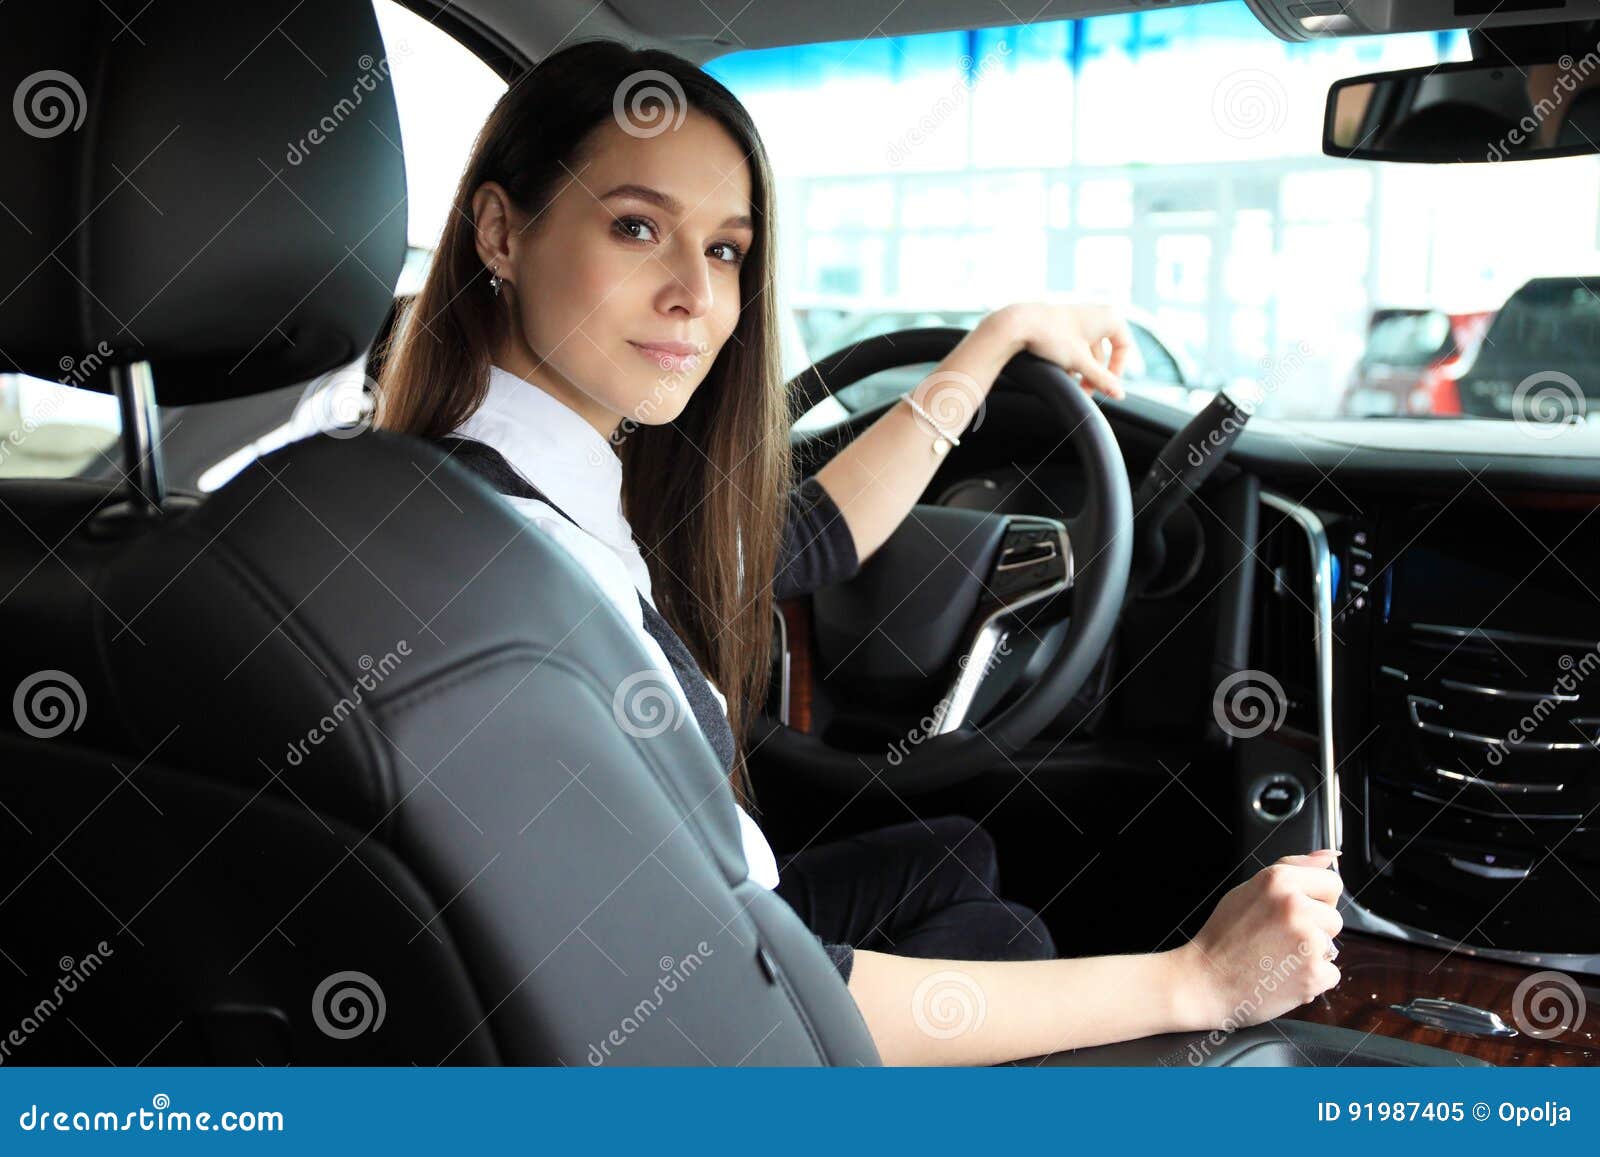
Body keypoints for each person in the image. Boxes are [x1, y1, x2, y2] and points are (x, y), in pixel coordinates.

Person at [375, 38, 1343, 1065]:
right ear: (498, 231)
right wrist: (1195, 978)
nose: (694, 296)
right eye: (635, 226)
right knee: (1006, 939)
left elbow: (811, 536)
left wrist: (995, 341)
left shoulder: (503, 491)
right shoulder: (519, 573)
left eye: (724, 251)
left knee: (956, 854)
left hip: (648, 946)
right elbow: (714, 991)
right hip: (683, 1015)